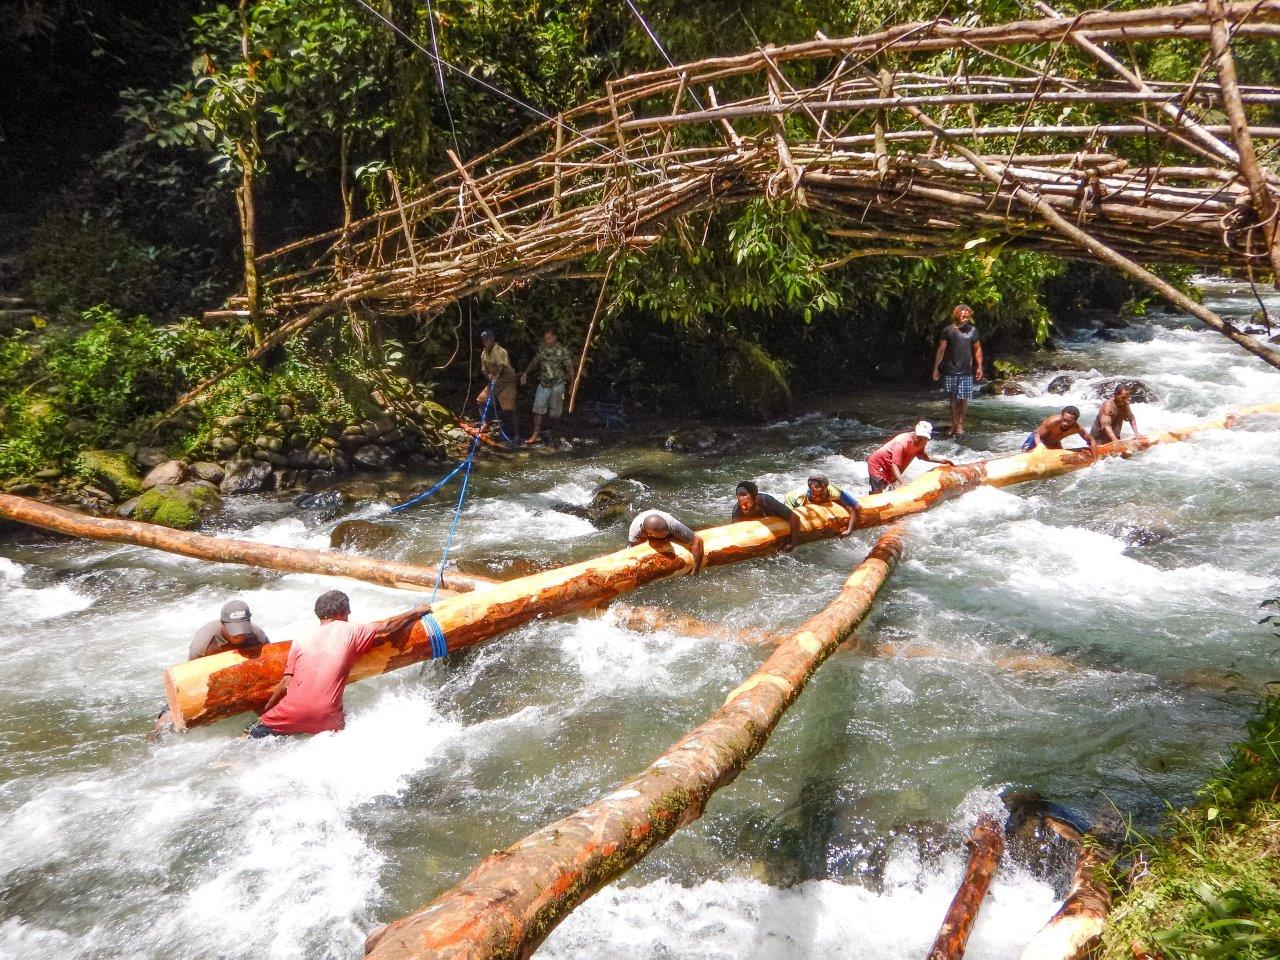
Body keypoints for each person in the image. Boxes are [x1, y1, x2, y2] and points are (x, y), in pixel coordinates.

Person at [248, 591, 433, 737]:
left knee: (249, 736)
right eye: (348, 611)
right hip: (327, 719)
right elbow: (388, 626)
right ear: (341, 614)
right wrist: (414, 612)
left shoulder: (301, 638)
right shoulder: (351, 629)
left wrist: (266, 711)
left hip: (287, 716)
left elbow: (287, 682)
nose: (350, 615)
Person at [152, 600, 270, 737]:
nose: (239, 635)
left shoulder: (257, 635)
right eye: (234, 631)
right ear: (223, 624)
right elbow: (192, 677)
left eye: (243, 631)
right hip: (211, 680)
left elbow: (267, 665)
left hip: (243, 678)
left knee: (270, 709)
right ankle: (153, 740)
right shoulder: (204, 641)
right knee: (170, 717)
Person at [932, 304, 985, 438]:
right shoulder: (948, 330)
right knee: (953, 398)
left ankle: (960, 424)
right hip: (951, 369)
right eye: (962, 315)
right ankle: (954, 424)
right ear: (956, 315)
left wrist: (979, 366)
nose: (964, 318)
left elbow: (977, 349)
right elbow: (941, 349)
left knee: (963, 398)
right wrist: (936, 368)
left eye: (967, 316)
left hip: (966, 370)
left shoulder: (973, 331)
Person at [866, 420, 954, 494]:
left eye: (923, 438)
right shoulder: (901, 443)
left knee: (889, 487)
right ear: (915, 433)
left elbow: (922, 456)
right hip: (877, 464)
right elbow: (894, 465)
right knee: (877, 492)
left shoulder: (923, 441)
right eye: (919, 437)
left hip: (890, 466)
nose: (920, 440)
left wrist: (941, 461)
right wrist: (902, 482)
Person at [520, 328, 573, 445]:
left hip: (557, 384)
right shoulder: (543, 348)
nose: (547, 341)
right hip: (544, 384)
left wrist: (572, 384)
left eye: (549, 338)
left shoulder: (562, 350)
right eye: (546, 339)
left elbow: (570, 368)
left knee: (555, 413)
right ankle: (535, 434)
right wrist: (525, 373)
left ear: (555, 337)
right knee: (538, 409)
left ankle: (555, 434)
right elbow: (534, 362)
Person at [628, 509, 706, 575]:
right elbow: (632, 553)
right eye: (662, 536)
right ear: (650, 534)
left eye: (666, 534)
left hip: (658, 519)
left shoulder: (671, 524)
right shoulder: (636, 533)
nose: (665, 537)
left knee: (681, 536)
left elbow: (698, 541)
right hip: (643, 526)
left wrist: (695, 571)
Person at [732, 480, 800, 552]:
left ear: (756, 499)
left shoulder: (768, 502)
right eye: (741, 503)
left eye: (746, 503)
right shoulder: (737, 512)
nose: (743, 507)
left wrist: (793, 542)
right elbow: (736, 536)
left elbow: (795, 517)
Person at [478, 330, 519, 443]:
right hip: (494, 382)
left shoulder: (500, 351)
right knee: (481, 400)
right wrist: (489, 376)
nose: (486, 342)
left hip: (507, 382)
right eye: (484, 340)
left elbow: (502, 367)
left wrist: (496, 377)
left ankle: (517, 435)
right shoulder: (484, 353)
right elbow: (484, 369)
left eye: (488, 339)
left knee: (509, 408)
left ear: (492, 339)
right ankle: (485, 423)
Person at [784, 474, 859, 536]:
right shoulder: (798, 497)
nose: (819, 498)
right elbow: (793, 519)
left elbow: (857, 507)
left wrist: (849, 529)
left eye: (822, 495)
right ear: (810, 490)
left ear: (826, 489)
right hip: (791, 501)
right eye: (816, 495)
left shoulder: (835, 492)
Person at [1022, 406, 1099, 458]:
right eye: (1064, 419)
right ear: (1061, 416)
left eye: (1069, 421)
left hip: (1054, 443)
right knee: (1025, 453)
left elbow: (1091, 440)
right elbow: (1037, 433)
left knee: (1060, 458)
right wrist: (1039, 446)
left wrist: (1095, 459)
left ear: (1075, 420)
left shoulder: (1077, 428)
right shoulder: (1052, 422)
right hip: (1037, 440)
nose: (1065, 423)